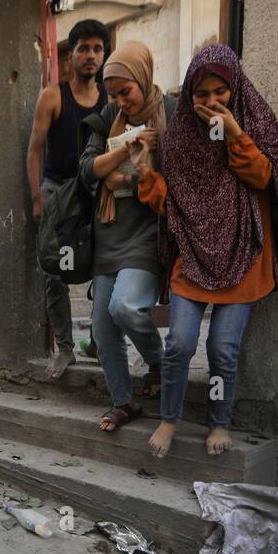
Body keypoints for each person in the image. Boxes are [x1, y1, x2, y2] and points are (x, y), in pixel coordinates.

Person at [137, 44, 278, 456]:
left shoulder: (257, 119)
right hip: (192, 254)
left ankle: (219, 423)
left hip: (244, 253)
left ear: (235, 86)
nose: (211, 102)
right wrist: (146, 175)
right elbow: (173, 203)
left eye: (220, 92)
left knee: (222, 349)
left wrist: (233, 133)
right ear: (190, 93)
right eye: (201, 94)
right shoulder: (179, 138)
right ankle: (169, 418)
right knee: (179, 342)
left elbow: (267, 178)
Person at [77, 42, 166, 433]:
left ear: (143, 80)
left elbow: (179, 180)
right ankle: (123, 400)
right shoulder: (108, 116)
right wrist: (124, 151)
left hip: (147, 233)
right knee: (102, 326)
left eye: (124, 91)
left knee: (125, 307)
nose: (118, 100)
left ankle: (159, 361)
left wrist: (128, 178)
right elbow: (87, 170)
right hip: (108, 235)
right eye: (112, 93)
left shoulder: (171, 116)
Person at [27, 19, 110, 378]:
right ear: (71, 54)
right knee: (55, 271)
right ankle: (64, 347)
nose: (90, 56)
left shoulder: (109, 97)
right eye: (83, 48)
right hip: (58, 193)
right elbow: (33, 151)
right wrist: (37, 197)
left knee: (103, 265)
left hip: (96, 190)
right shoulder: (53, 96)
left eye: (97, 49)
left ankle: (98, 340)